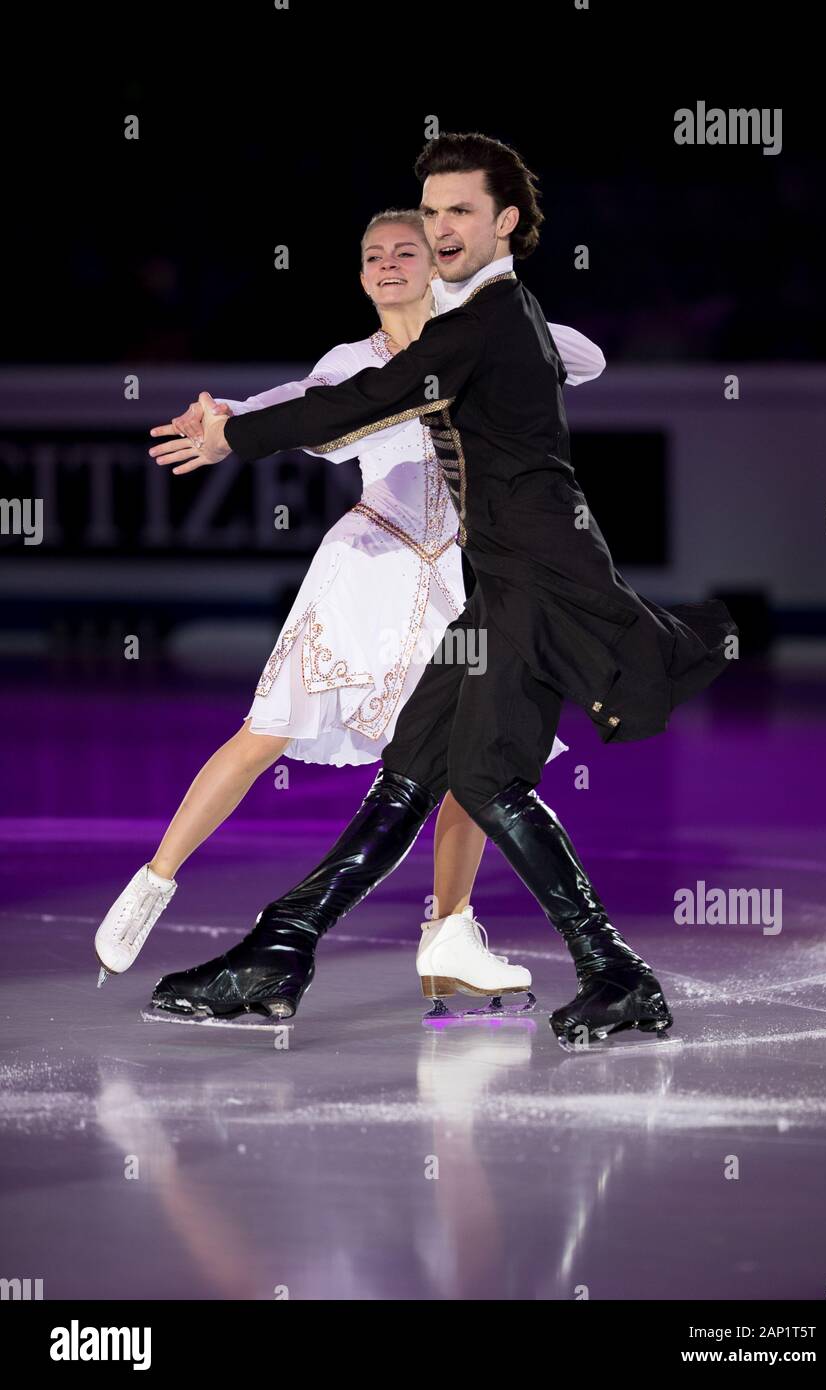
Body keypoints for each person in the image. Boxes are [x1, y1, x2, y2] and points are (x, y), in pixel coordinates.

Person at [148, 132, 737, 1046]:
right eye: (431, 211)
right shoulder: (485, 320)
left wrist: (237, 438)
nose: (441, 227)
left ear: (505, 222)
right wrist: (237, 413)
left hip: (536, 588)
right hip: (497, 590)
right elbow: (342, 387)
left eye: (461, 210)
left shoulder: (488, 321)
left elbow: (363, 399)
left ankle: (616, 973)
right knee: (412, 773)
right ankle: (276, 954)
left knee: (488, 779)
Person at [95, 204, 606, 1017]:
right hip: (366, 569)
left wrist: (481, 300)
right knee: (268, 731)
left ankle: (450, 933)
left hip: (449, 586)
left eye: (410, 250)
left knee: (468, 763)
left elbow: (584, 357)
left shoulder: (481, 338)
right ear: (362, 274)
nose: (390, 264)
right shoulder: (353, 363)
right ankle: (154, 882)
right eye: (375, 255)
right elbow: (299, 400)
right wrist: (227, 416)